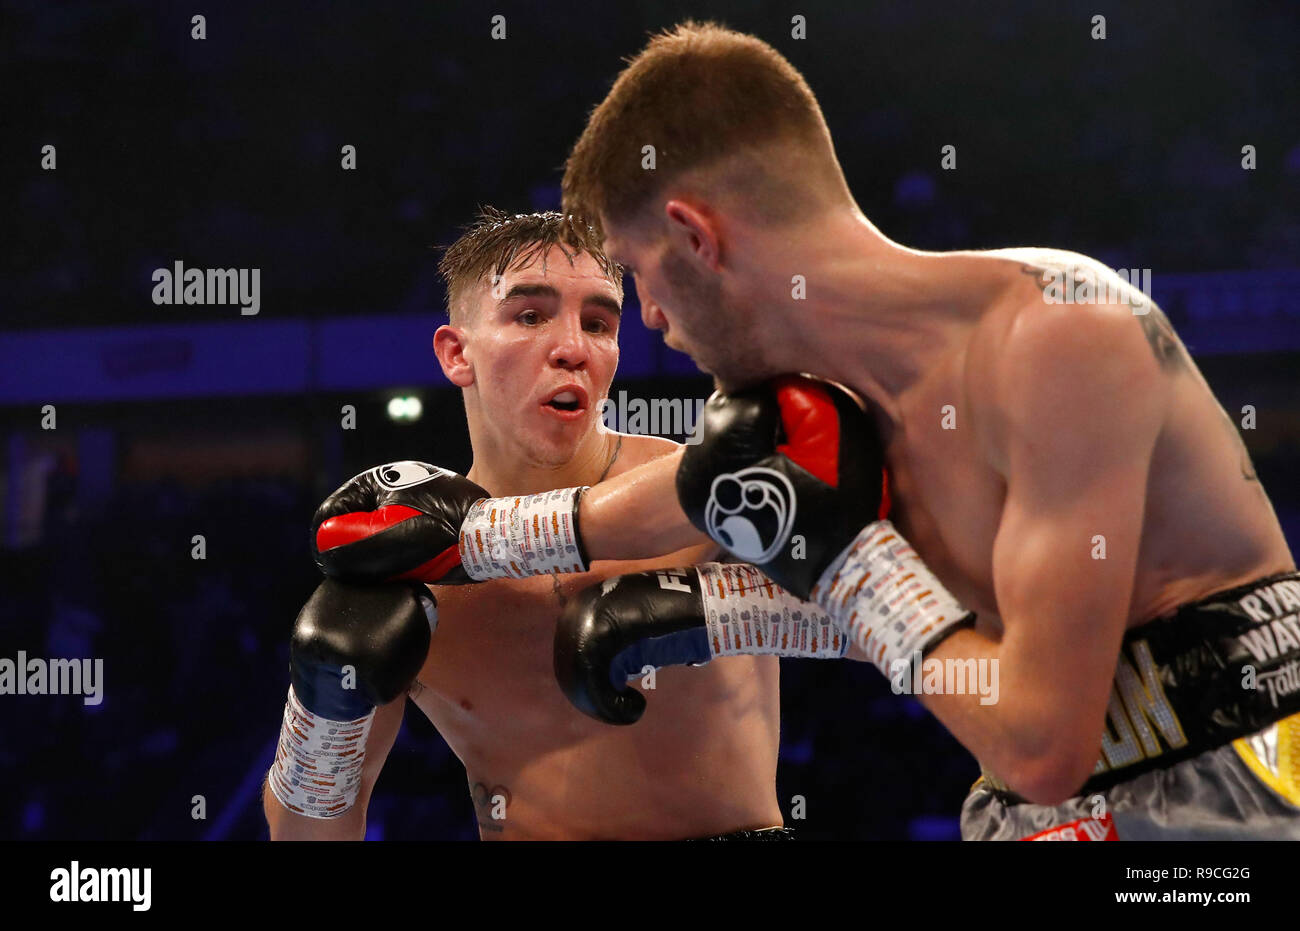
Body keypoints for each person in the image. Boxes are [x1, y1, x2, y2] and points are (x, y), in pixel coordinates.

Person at [546, 21, 1300, 839]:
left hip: (1237, 798)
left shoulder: (1061, 334)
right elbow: (645, 507)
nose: (649, 317)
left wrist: (848, 563)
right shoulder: (838, 407)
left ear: (697, 236)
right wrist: (464, 537)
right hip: (1026, 815)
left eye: (641, 272)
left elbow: (1045, 747)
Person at [262, 208, 804, 841]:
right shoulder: (414, 584)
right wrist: (322, 721)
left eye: (598, 323)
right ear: (456, 353)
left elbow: (903, 606)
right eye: (530, 315)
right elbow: (307, 835)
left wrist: (723, 607)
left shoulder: (709, 494)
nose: (573, 348)